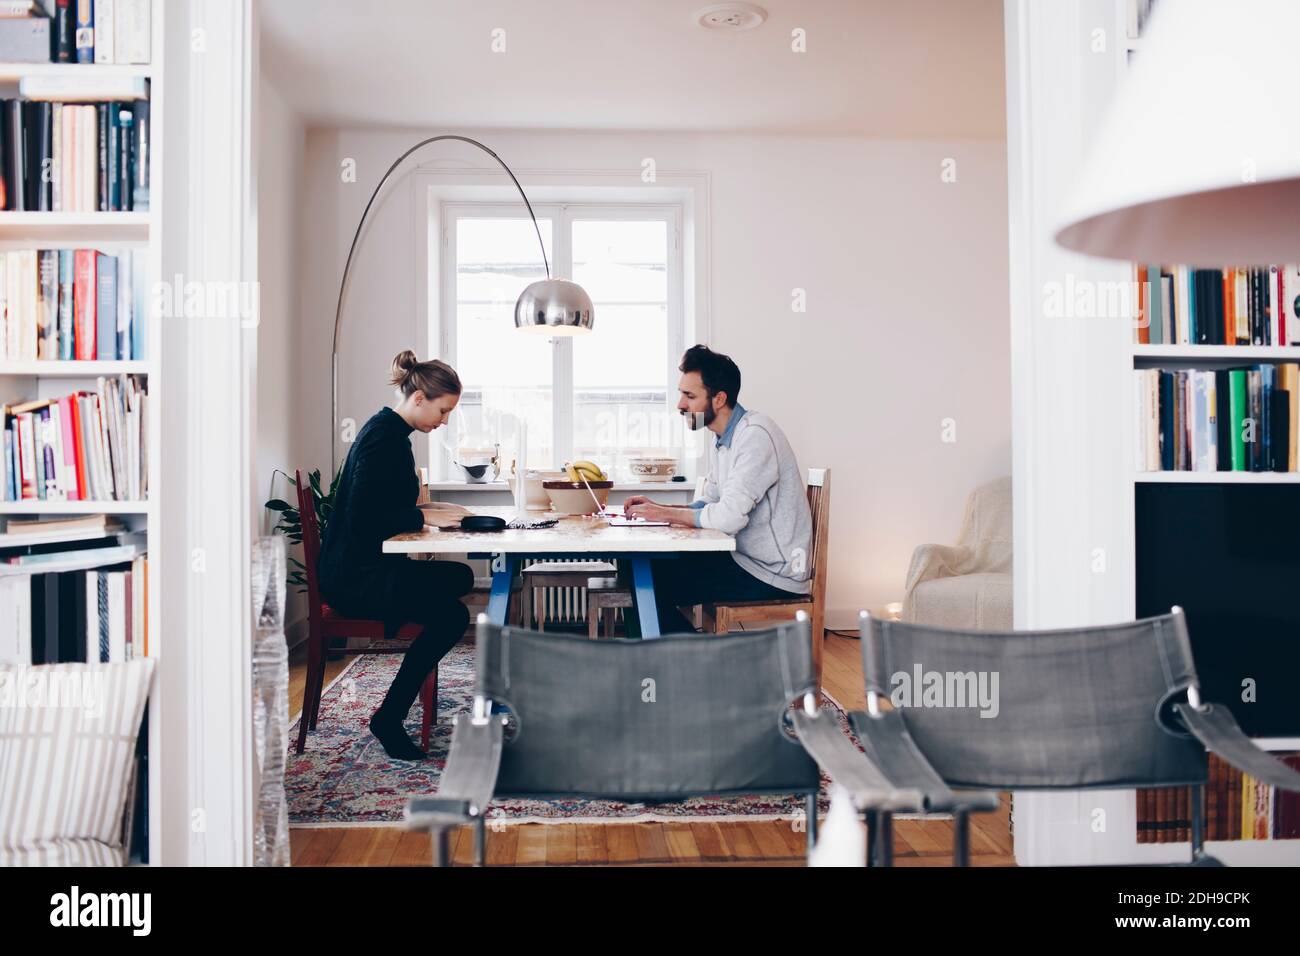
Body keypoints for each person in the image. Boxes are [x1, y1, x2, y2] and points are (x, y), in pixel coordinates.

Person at [318, 350, 474, 760]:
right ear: (419, 397)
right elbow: (366, 519)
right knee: (453, 615)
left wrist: (429, 514)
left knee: (459, 578)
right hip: (356, 577)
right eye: (443, 411)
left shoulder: (389, 432)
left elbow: (384, 506)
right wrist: (426, 518)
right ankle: (389, 717)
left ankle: (410, 686)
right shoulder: (383, 438)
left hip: (366, 565)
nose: (444, 421)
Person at [625, 344, 813, 634]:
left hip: (771, 572)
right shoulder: (723, 439)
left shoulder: (755, 436)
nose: (680, 405)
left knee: (645, 580)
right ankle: (685, 661)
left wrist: (663, 513)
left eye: (690, 396)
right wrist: (662, 511)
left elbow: (727, 518)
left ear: (719, 399)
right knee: (637, 569)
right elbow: (709, 502)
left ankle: (691, 664)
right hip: (744, 560)